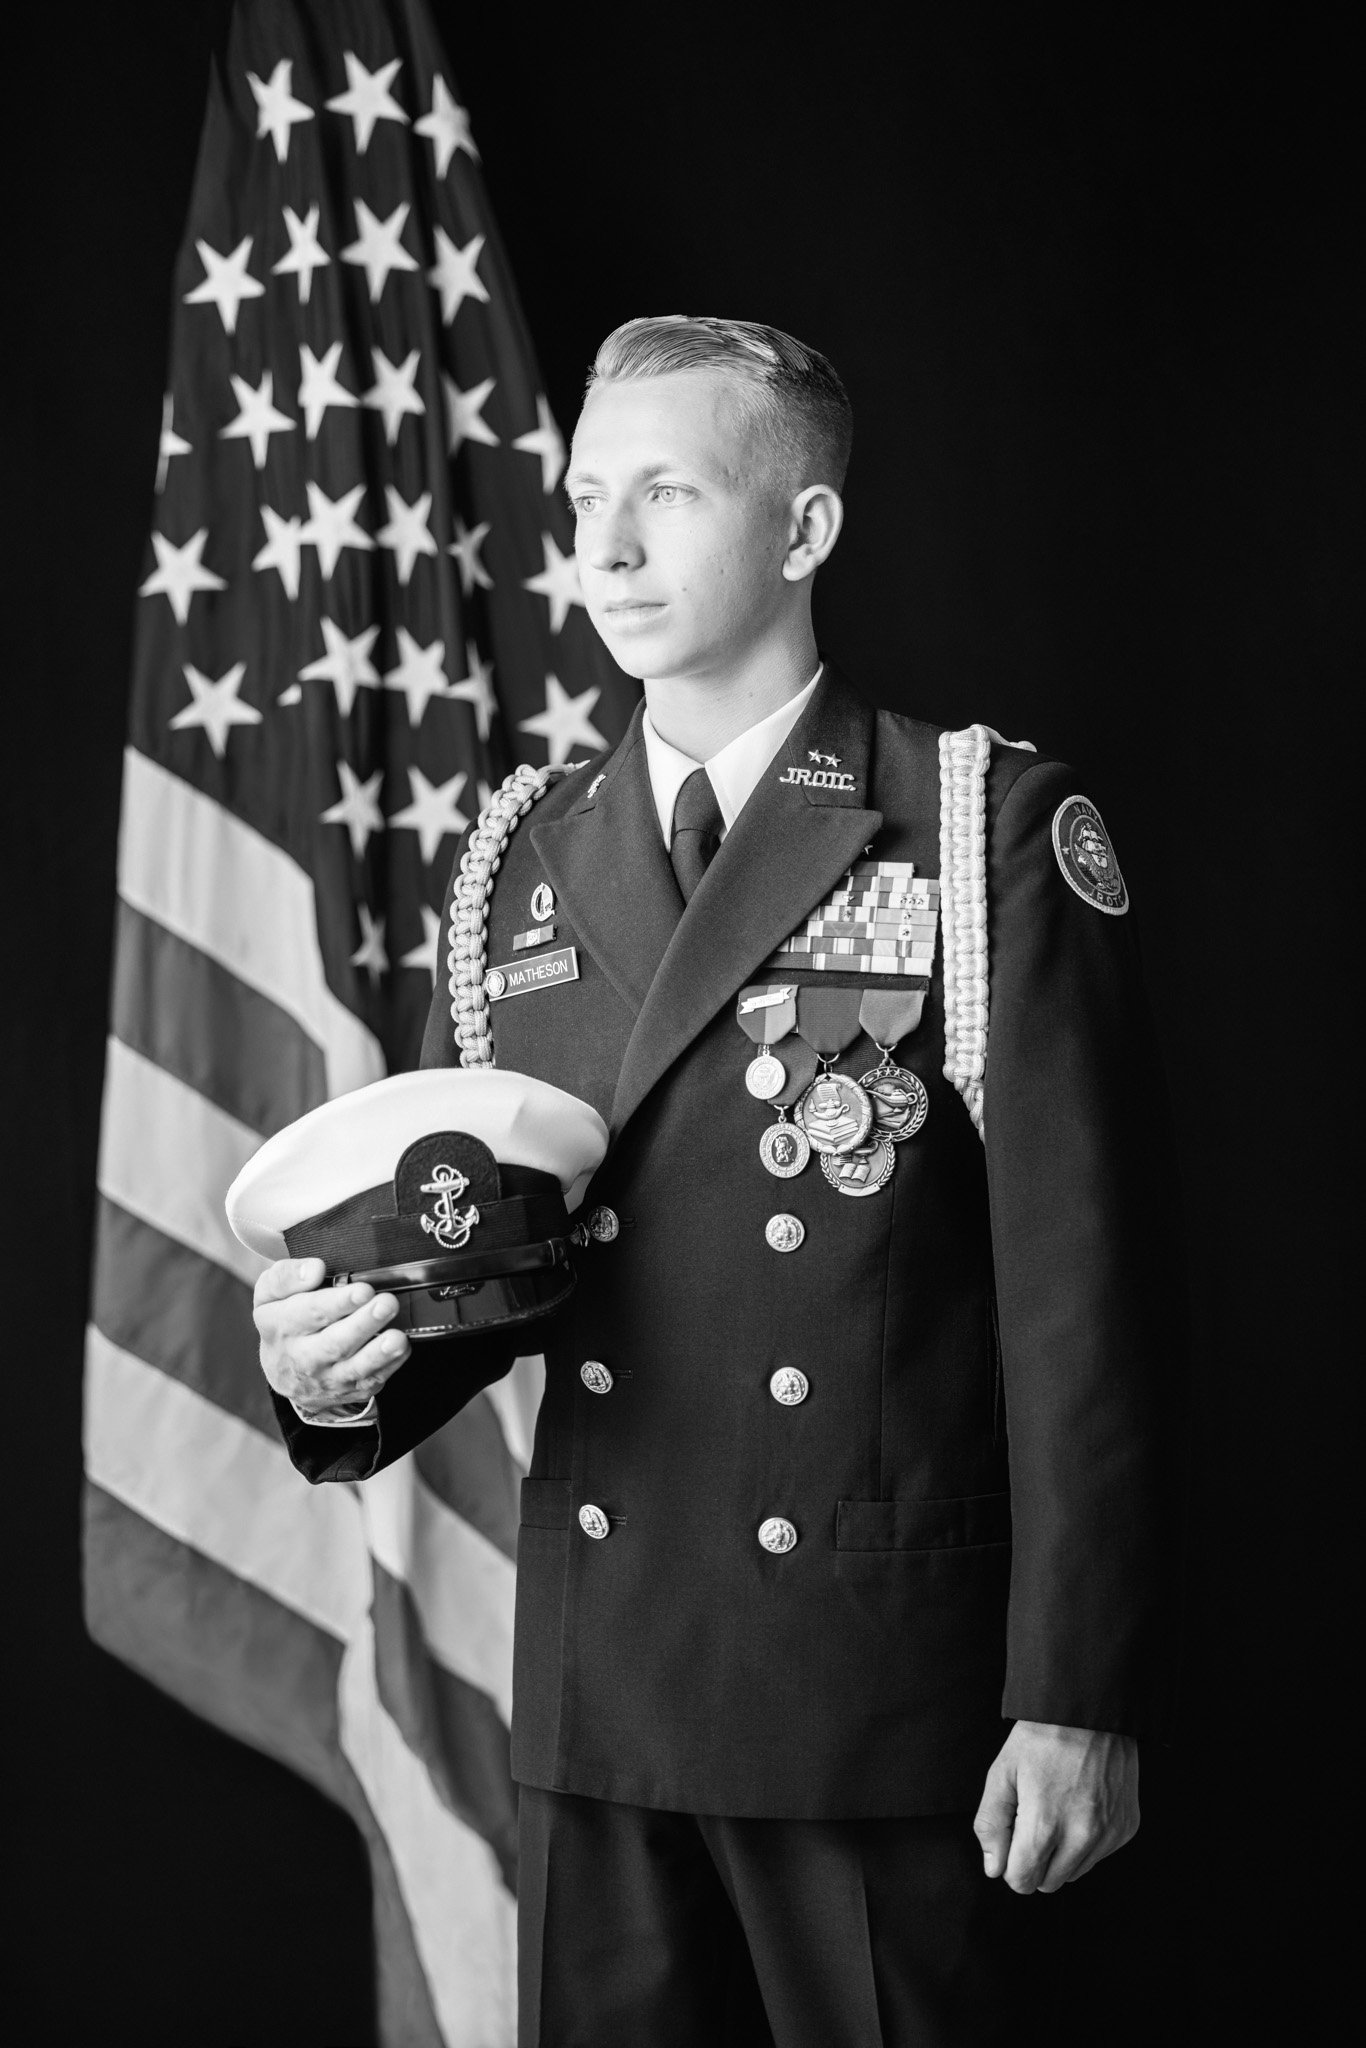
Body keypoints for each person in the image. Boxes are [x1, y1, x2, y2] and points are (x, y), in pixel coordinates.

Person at [254, 317, 1183, 2047]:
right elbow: (513, 1268)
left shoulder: (973, 827)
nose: (602, 548)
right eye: (585, 496)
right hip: (603, 1688)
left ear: (804, 529)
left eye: (664, 495)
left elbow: (1088, 1308)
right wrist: (348, 1368)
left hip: (873, 1695)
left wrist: (1077, 1695)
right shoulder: (523, 864)